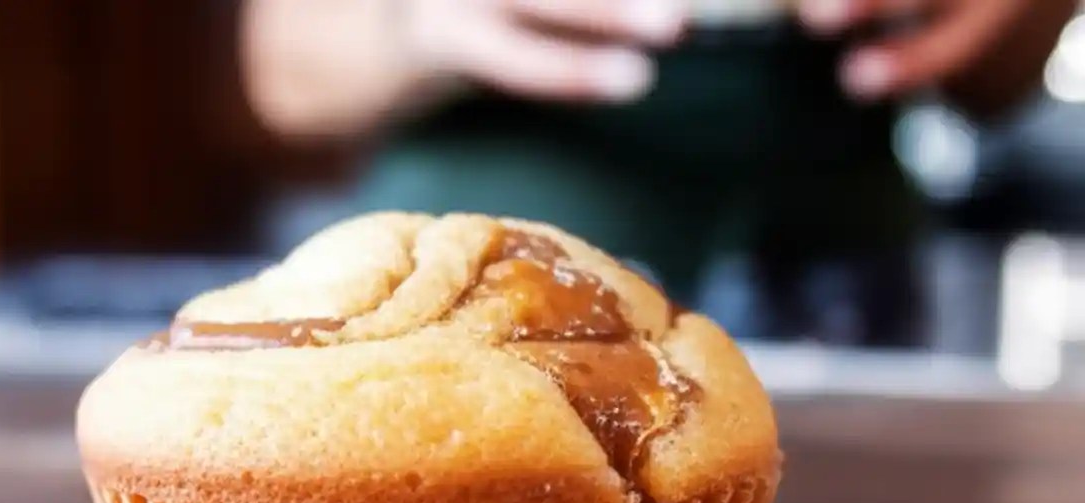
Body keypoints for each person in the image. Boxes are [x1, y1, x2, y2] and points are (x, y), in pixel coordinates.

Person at [243, 0, 1076, 345]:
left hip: (853, 304)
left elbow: (1002, 77)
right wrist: (414, 18)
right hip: (467, 310)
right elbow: (282, 69)